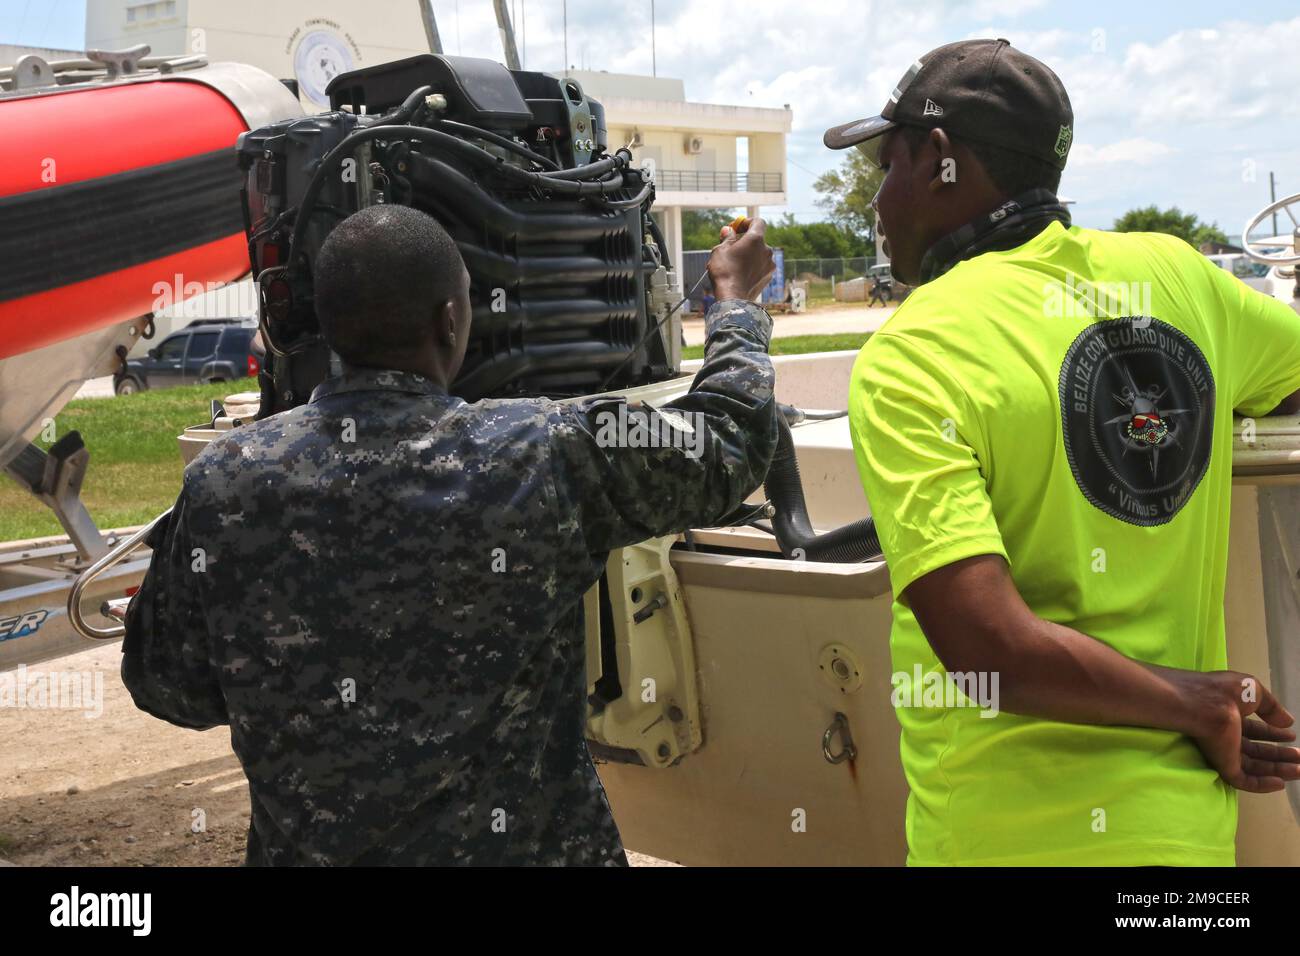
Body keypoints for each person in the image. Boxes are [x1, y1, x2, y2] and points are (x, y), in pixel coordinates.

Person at [121, 204, 778, 865]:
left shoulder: (222, 480)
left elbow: (169, 686)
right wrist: (736, 303)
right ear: (450, 320)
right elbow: (729, 445)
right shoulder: (546, 449)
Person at [825, 38, 1300, 866]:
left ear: (939, 158)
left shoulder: (914, 354)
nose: (878, 198)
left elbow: (989, 650)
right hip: (1183, 841)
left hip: (1001, 843)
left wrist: (1198, 703)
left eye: (887, 165)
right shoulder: (1178, 278)